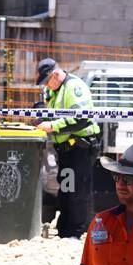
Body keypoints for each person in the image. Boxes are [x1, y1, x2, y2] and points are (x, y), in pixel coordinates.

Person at [36, 58, 100, 238]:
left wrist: (52, 127)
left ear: (55, 74)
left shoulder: (74, 88)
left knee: (76, 191)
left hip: (79, 148)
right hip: (66, 150)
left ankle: (75, 231)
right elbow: (48, 109)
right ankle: (66, 229)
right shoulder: (55, 89)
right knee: (66, 189)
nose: (46, 86)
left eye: (47, 81)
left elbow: (81, 120)